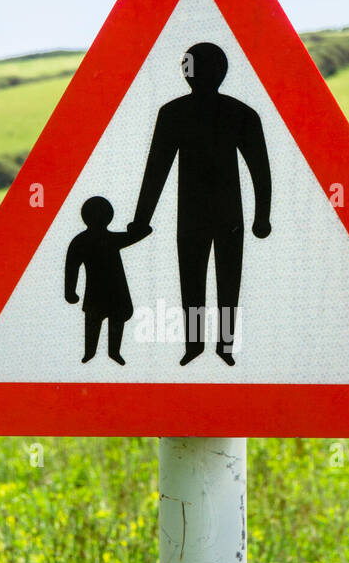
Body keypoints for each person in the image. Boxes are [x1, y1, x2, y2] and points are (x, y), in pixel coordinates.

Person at [129, 42, 271, 366]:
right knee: (197, 282)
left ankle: (224, 346)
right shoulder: (175, 114)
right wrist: (141, 220)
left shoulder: (239, 114)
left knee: (223, 282)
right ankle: (197, 345)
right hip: (198, 215)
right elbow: (156, 170)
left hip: (221, 215)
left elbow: (259, 169)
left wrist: (262, 217)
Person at [65, 196, 146, 364]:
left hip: (111, 292)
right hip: (100, 292)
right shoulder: (84, 241)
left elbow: (72, 267)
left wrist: (70, 292)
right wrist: (70, 291)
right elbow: (72, 267)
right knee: (94, 322)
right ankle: (91, 353)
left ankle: (112, 352)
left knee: (111, 320)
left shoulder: (86, 240)